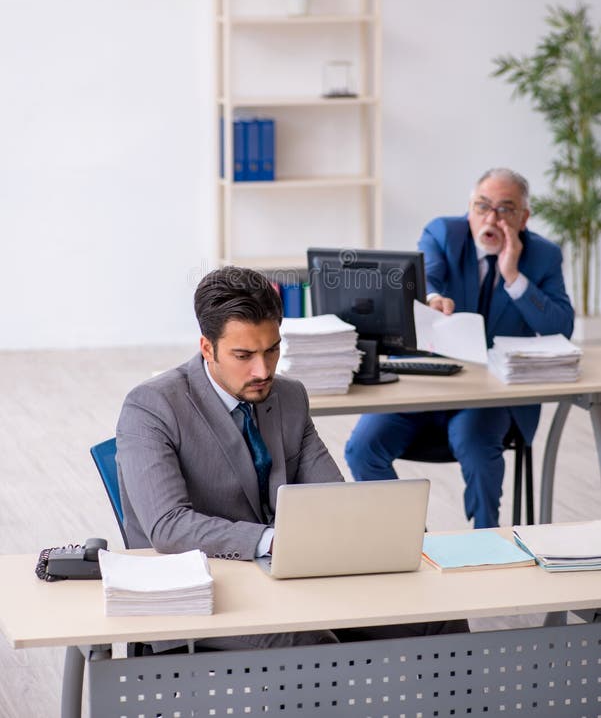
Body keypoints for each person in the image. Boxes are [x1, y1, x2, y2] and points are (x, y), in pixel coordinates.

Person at [117, 265, 466, 650]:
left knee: (441, 617)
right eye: (243, 355)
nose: (262, 370)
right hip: (206, 595)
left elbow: (332, 496)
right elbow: (168, 526)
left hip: (289, 579)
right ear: (207, 348)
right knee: (310, 645)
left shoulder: (290, 397)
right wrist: (272, 540)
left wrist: (379, 529)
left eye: (272, 350)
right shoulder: (151, 406)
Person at [345, 168, 575, 529]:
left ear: (524, 218)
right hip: (425, 385)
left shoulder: (543, 256)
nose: (491, 218)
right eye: (482, 206)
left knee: (473, 439)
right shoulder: (443, 232)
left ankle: (486, 542)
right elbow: (427, 274)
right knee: (363, 447)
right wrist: (432, 297)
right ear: (469, 208)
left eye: (505, 209)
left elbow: (562, 327)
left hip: (489, 397)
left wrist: (514, 277)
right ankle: (409, 538)